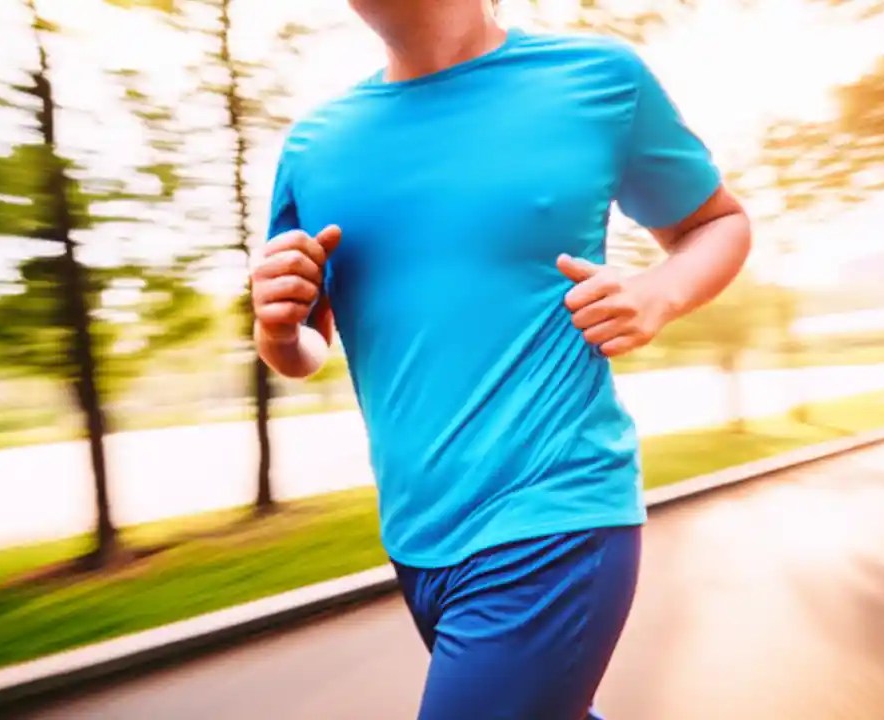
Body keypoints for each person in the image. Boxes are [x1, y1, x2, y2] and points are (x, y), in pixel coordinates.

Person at [250, 1, 751, 717]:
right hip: (418, 540)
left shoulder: (596, 80)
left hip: (557, 515)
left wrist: (657, 296)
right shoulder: (316, 145)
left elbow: (717, 223)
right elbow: (307, 347)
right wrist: (273, 332)